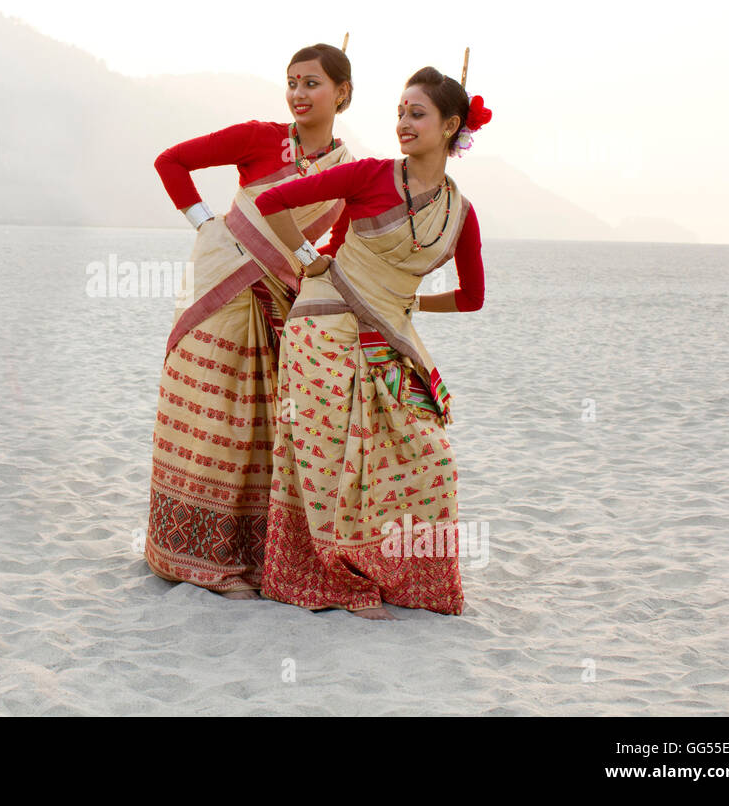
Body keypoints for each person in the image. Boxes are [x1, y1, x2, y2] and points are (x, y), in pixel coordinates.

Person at [253, 64, 492, 618]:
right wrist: (311, 258)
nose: (403, 124)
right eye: (400, 114)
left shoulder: (461, 214)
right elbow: (273, 202)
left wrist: (407, 305)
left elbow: (472, 297)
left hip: (387, 337)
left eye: (417, 114)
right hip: (322, 325)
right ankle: (332, 578)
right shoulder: (368, 175)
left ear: (450, 125)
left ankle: (393, 573)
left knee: (426, 459)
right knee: (332, 458)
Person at [146, 43, 357, 598]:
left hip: (278, 304)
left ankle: (249, 551)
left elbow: (336, 244)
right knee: (215, 417)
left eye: (311, 83)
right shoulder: (259, 137)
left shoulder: (348, 173)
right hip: (223, 292)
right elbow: (171, 161)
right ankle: (187, 553)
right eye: (291, 82)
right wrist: (206, 225)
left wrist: (314, 275)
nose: (298, 94)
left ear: (343, 93)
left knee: (261, 428)